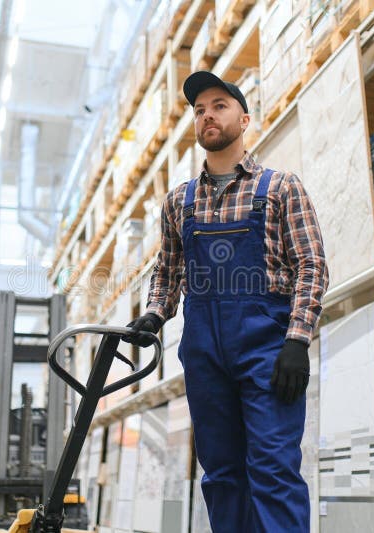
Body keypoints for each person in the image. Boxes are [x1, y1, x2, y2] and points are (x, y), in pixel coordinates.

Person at [123, 71, 329, 532]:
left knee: (272, 471)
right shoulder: (180, 202)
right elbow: (170, 270)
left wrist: (297, 341)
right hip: (204, 352)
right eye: (199, 110)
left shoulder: (279, 188)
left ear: (244, 117)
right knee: (220, 474)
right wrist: (155, 314)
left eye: (219, 105)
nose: (207, 116)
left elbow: (311, 266)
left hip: (267, 351)